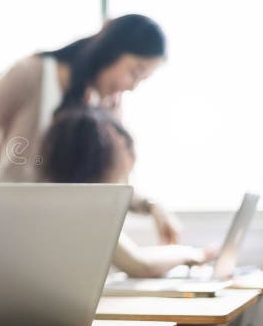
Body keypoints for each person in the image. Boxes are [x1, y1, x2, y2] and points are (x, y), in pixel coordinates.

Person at [0, 13, 180, 243]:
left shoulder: (108, 103)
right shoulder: (30, 73)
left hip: (63, 232)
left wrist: (152, 207)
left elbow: (114, 177)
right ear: (112, 50)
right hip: (7, 228)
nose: (132, 87)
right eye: (134, 72)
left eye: (141, 80)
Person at [40, 107, 212, 278]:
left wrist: (153, 207)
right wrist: (193, 254)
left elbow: (130, 197)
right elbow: (141, 265)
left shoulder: (59, 198)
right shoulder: (82, 209)